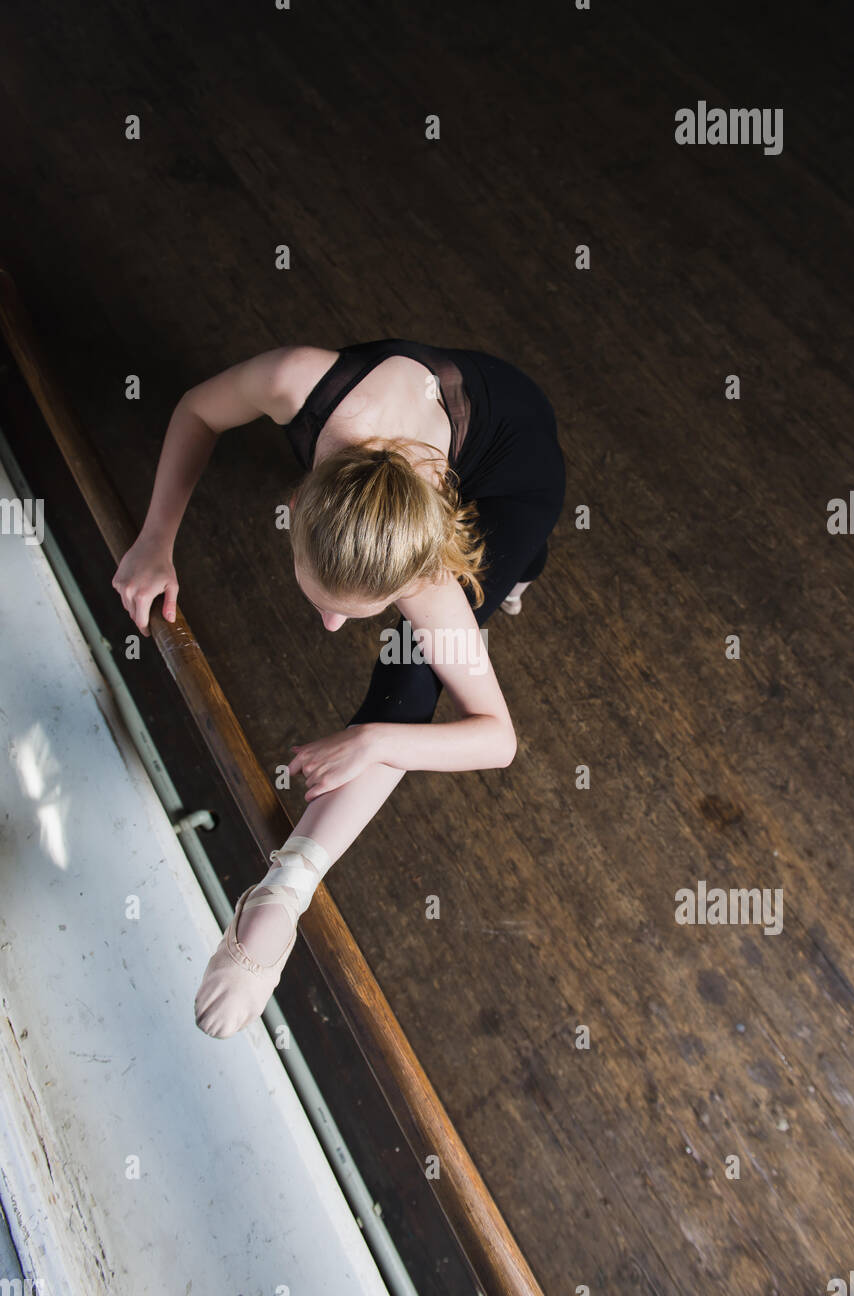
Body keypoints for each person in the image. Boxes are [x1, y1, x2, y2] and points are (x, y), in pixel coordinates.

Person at [112, 338, 566, 1038]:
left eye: (354, 611)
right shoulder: (297, 382)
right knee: (433, 639)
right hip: (449, 428)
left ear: (412, 579)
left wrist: (372, 739)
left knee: (426, 656)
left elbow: (497, 737)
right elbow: (198, 411)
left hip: (516, 472)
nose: (328, 626)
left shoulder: (428, 584)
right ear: (296, 505)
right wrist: (155, 537)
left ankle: (286, 890)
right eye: (323, 599)